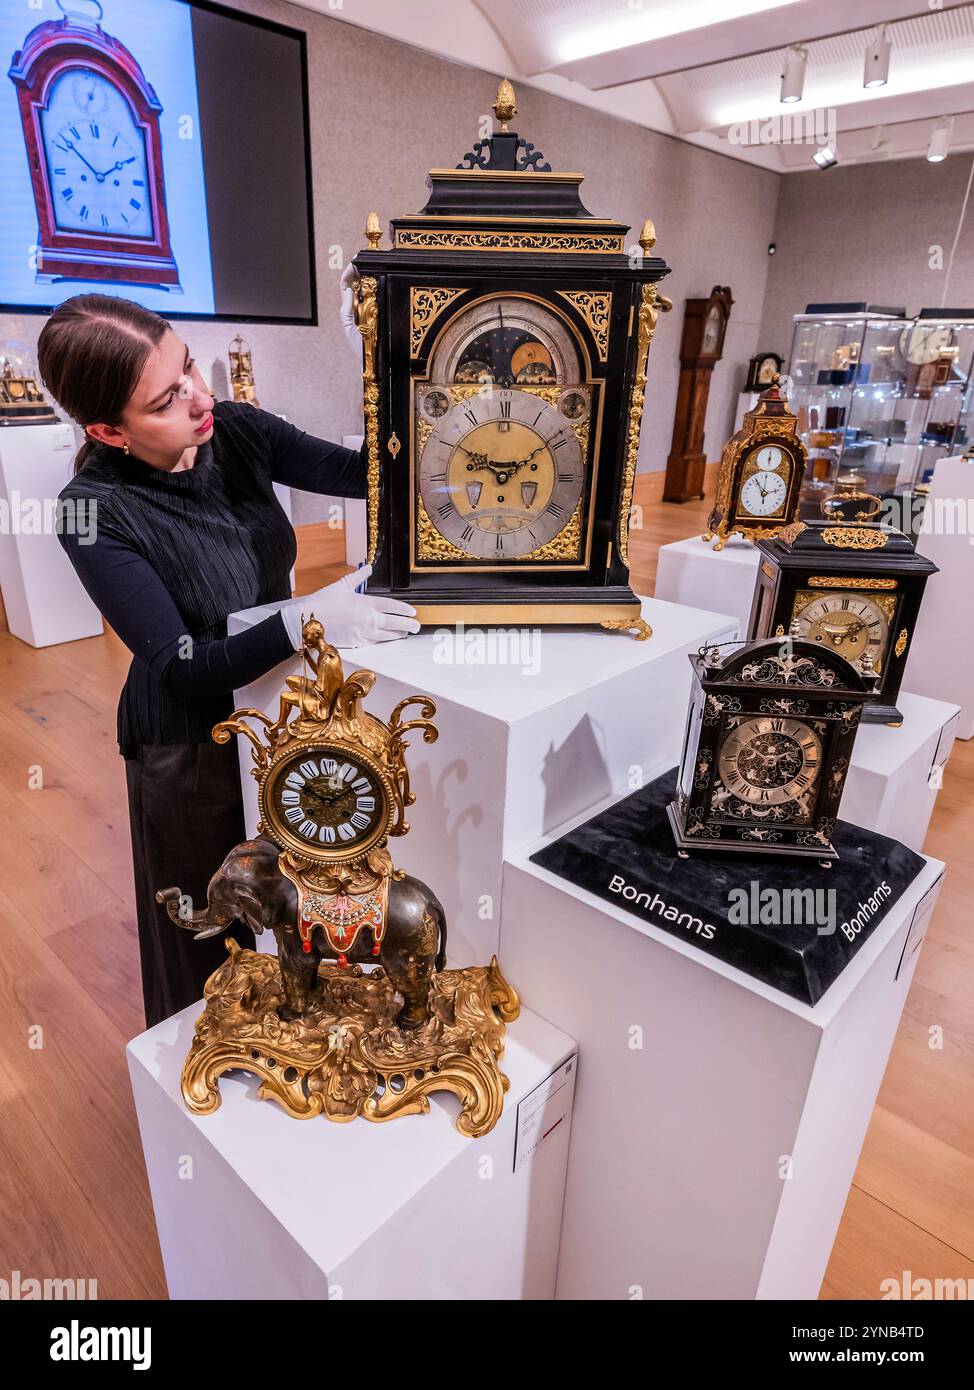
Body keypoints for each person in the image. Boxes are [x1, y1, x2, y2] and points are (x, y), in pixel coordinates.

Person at [40, 291, 418, 1030]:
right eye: (166, 398)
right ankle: (203, 1088)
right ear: (108, 430)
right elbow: (183, 663)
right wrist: (304, 619)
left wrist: (381, 364)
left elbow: (373, 471)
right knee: (207, 933)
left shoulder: (237, 431)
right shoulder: (90, 510)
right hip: (188, 742)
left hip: (271, 717)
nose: (198, 399)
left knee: (287, 908)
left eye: (189, 369)